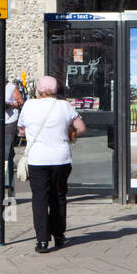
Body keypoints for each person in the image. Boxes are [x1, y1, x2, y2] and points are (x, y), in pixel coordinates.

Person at [17, 76, 85, 253]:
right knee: (59, 197)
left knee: (40, 199)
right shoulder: (64, 106)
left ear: (38, 90)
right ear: (55, 90)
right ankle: (59, 235)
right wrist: (68, 132)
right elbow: (81, 127)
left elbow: (21, 130)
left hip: (38, 159)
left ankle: (42, 241)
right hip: (61, 158)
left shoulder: (29, 105)